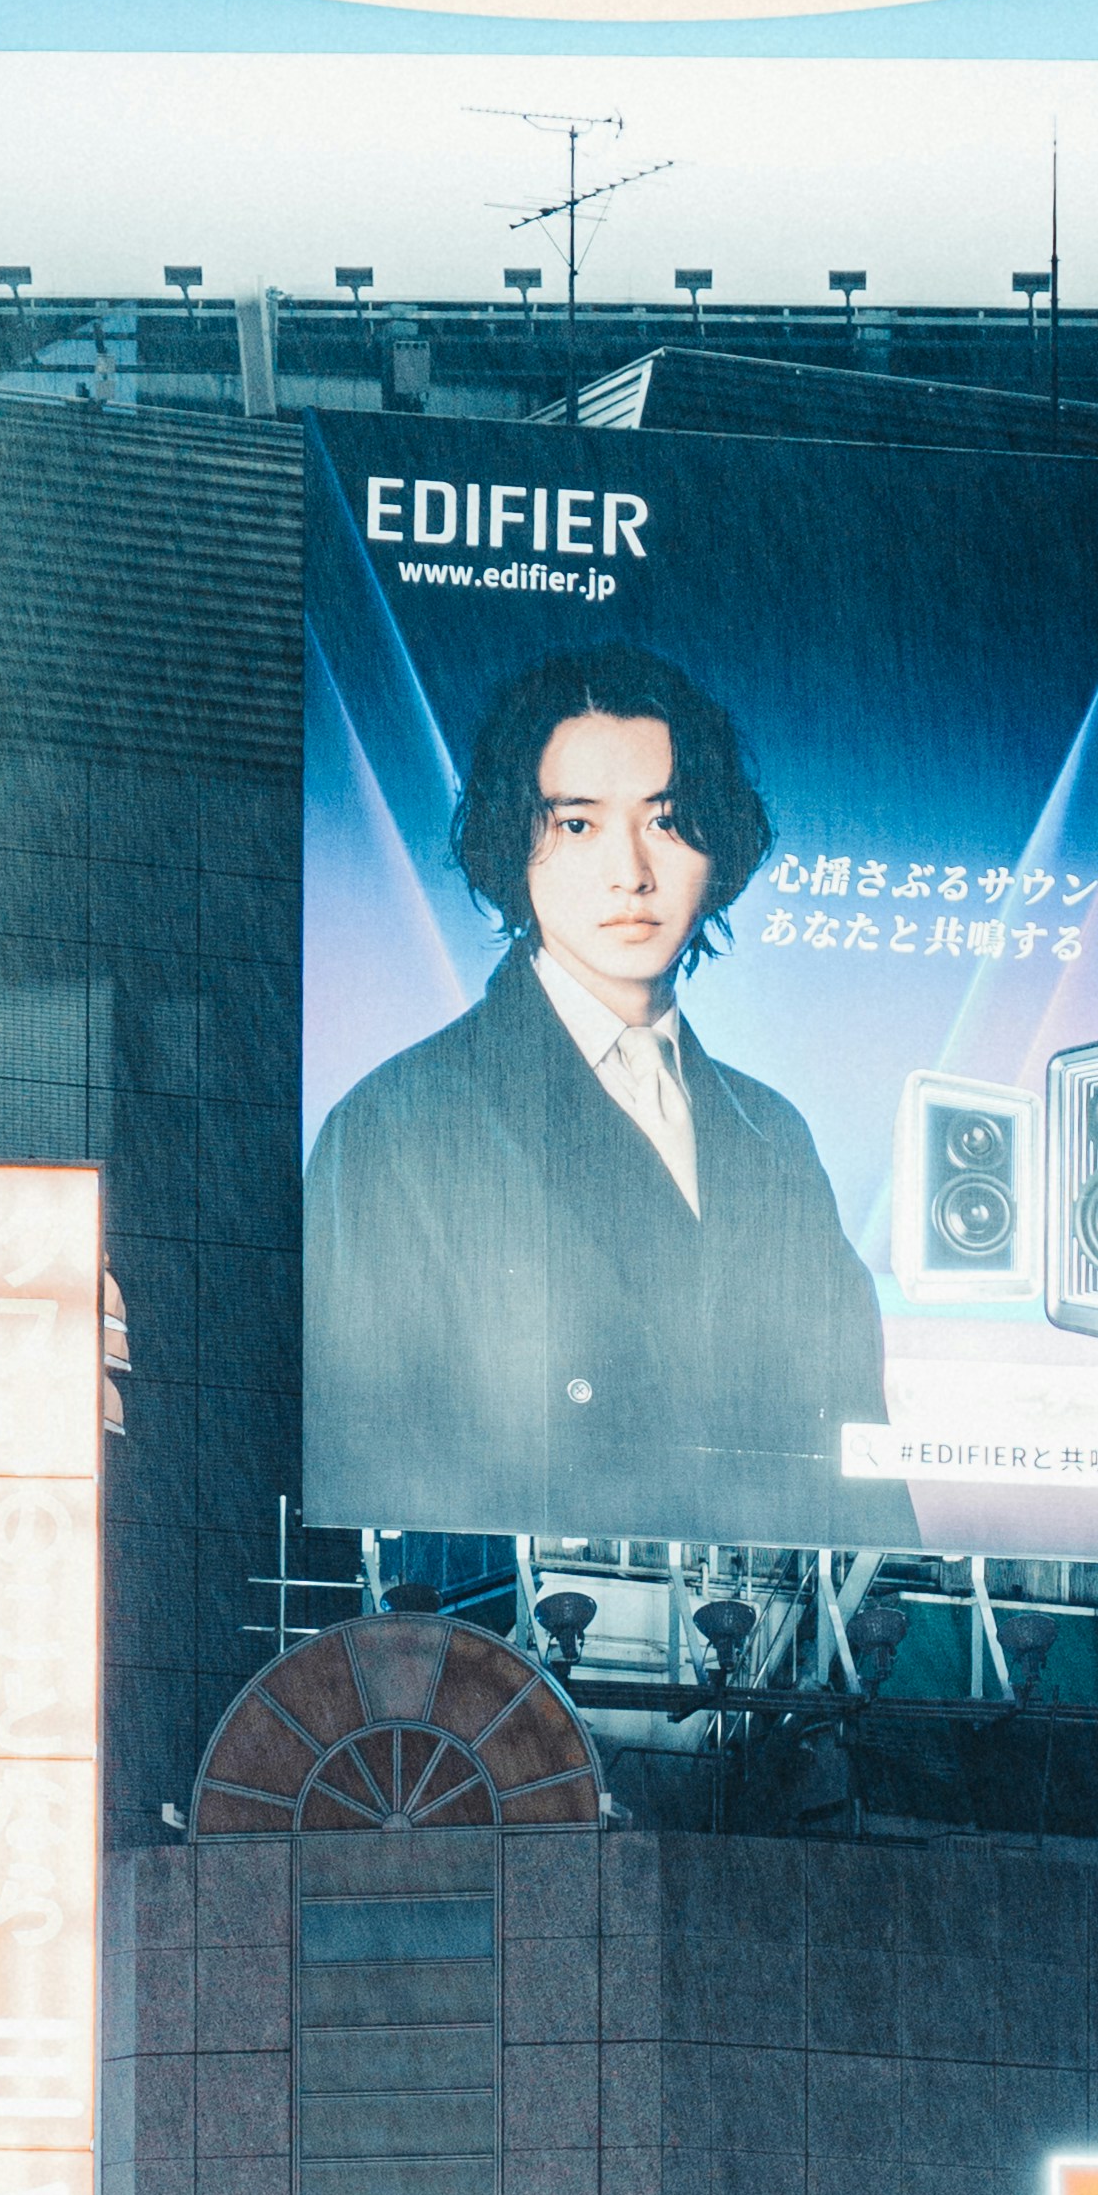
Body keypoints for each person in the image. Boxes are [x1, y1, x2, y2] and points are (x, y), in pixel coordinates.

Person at [296, 638, 890, 1536]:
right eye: (578, 824)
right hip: (513, 1657)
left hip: (785, 1661)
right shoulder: (395, 1128)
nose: (631, 873)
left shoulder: (774, 1134)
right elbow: (364, 1474)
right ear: (513, 843)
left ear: (716, 842)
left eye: (665, 819)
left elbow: (864, 1474)